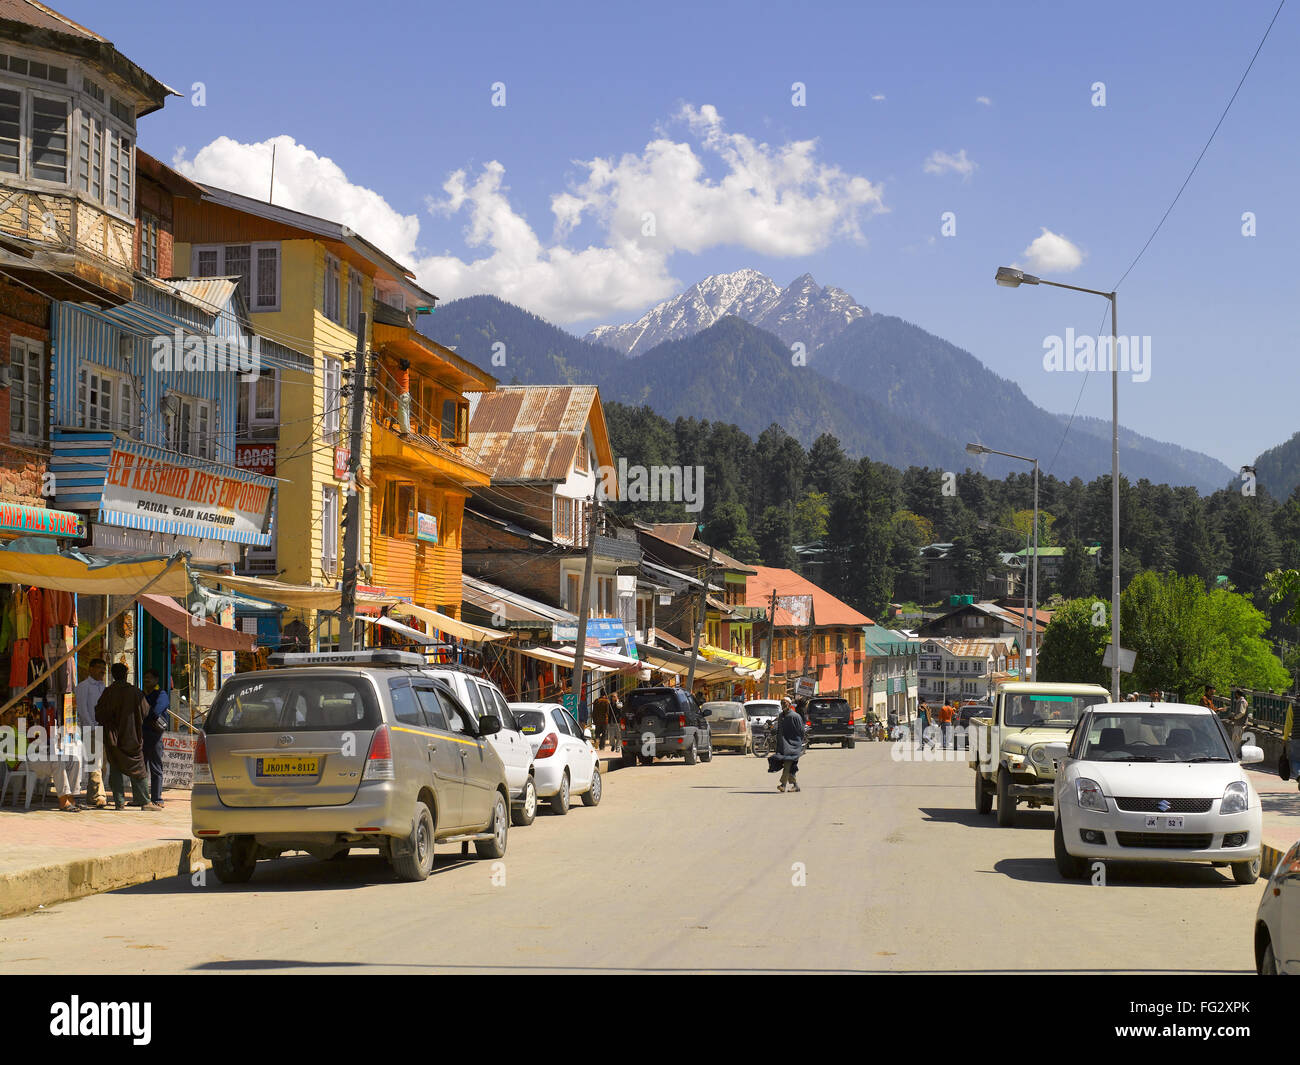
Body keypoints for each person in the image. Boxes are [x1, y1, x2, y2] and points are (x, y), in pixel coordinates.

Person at [95, 663, 160, 811]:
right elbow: (145, 712)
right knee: (138, 769)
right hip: (132, 737)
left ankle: (119, 803)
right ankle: (144, 801)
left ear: (112, 675)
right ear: (126, 675)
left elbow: (99, 714)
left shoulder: (108, 692)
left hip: (113, 738)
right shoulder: (135, 692)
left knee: (116, 768)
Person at [74, 657, 108, 808]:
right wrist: (92, 726)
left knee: (103, 765)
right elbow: (82, 709)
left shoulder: (102, 686)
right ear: (91, 669)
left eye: (104, 668)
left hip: (103, 728)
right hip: (91, 729)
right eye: (99, 668)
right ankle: (98, 796)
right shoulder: (83, 686)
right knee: (95, 763)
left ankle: (92, 794)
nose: (102, 671)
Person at [142, 669, 169, 807]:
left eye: (150, 678)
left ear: (156, 680)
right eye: (145, 677)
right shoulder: (141, 694)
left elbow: (155, 711)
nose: (147, 680)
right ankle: (142, 797)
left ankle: (157, 798)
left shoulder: (161, 694)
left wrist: (145, 714)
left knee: (155, 767)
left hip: (154, 735)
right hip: (141, 735)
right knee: (141, 767)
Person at [774, 697, 805, 792]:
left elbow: (801, 731)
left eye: (785, 703)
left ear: (789, 704)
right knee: (790, 767)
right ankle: (795, 785)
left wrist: (798, 743)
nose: (783, 704)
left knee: (788, 764)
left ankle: (783, 785)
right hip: (783, 745)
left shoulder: (795, 716)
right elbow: (779, 731)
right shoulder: (781, 716)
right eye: (781, 703)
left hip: (794, 746)